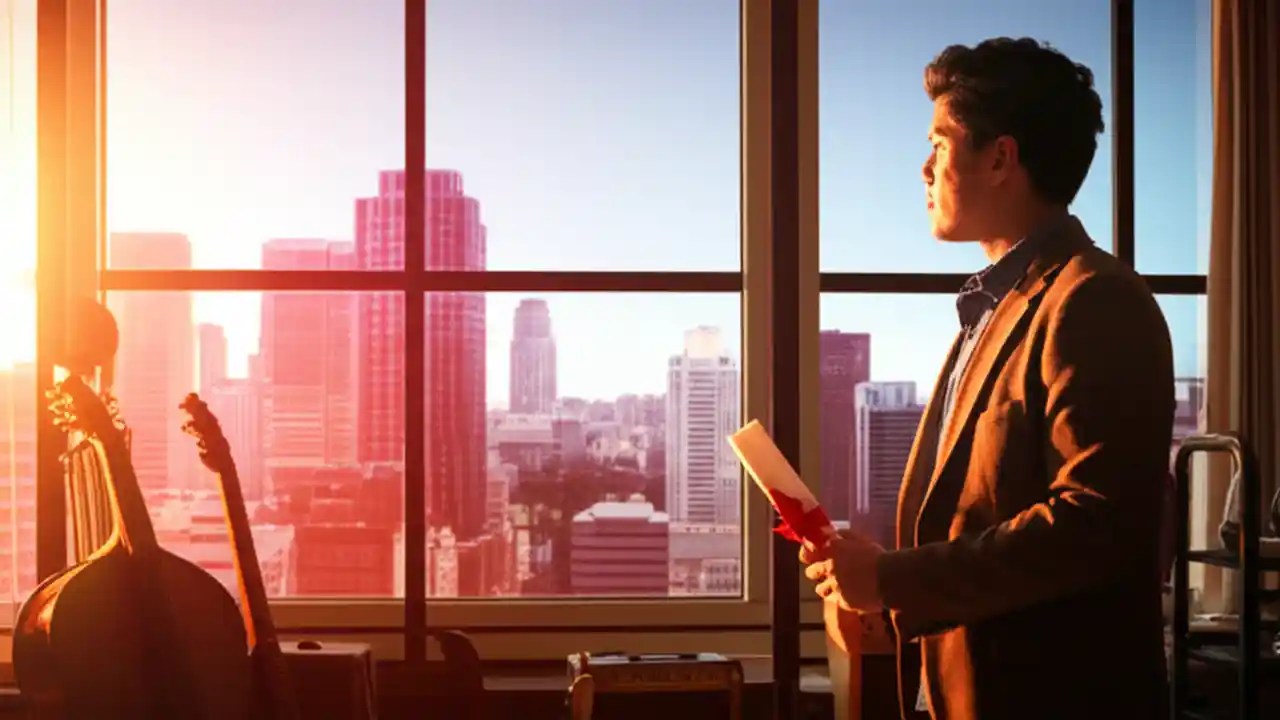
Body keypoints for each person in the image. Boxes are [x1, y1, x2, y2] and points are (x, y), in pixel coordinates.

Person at [802, 38, 1175, 720]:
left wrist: (892, 578)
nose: (924, 167)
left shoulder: (1095, 300)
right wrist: (884, 578)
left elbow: (1094, 526)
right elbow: (986, 509)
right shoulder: (996, 307)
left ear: (1001, 158)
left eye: (940, 144)